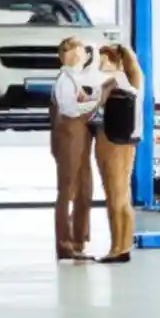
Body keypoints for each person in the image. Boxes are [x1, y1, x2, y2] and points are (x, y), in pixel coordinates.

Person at [93, 43, 144, 264]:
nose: (97, 63)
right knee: (123, 195)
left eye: (100, 59)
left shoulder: (112, 82)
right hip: (127, 141)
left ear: (110, 60)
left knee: (114, 196)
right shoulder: (132, 81)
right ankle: (124, 245)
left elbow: (93, 108)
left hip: (110, 140)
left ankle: (116, 247)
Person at [50, 37, 98, 261]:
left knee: (84, 190)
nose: (84, 54)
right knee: (68, 191)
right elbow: (70, 110)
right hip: (68, 141)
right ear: (71, 54)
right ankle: (65, 243)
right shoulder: (64, 80)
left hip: (79, 142)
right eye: (80, 51)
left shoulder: (73, 80)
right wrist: (95, 103)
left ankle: (78, 240)